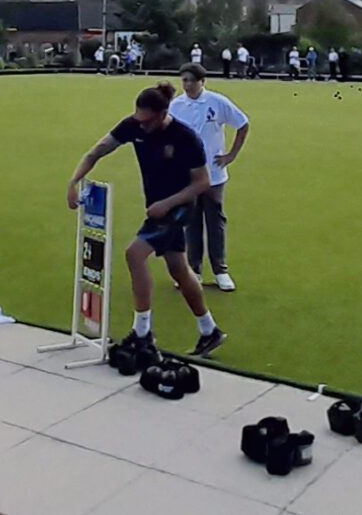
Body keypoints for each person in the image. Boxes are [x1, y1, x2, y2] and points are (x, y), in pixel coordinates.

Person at [65, 83, 225, 357]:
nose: (142, 126)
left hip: (178, 208)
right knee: (178, 268)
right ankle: (209, 330)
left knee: (135, 254)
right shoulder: (134, 126)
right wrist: (74, 181)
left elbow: (202, 183)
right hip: (156, 207)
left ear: (163, 114)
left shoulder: (185, 138)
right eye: (139, 119)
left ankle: (142, 332)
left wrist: (167, 204)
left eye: (148, 121)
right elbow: (96, 152)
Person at [171, 63, 249, 292]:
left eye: (191, 81)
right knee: (192, 223)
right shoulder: (176, 106)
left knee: (215, 222)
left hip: (214, 175)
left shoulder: (217, 102)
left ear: (202, 81)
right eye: (184, 80)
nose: (187, 85)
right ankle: (193, 271)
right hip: (188, 176)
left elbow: (243, 124)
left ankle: (220, 270)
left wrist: (231, 155)